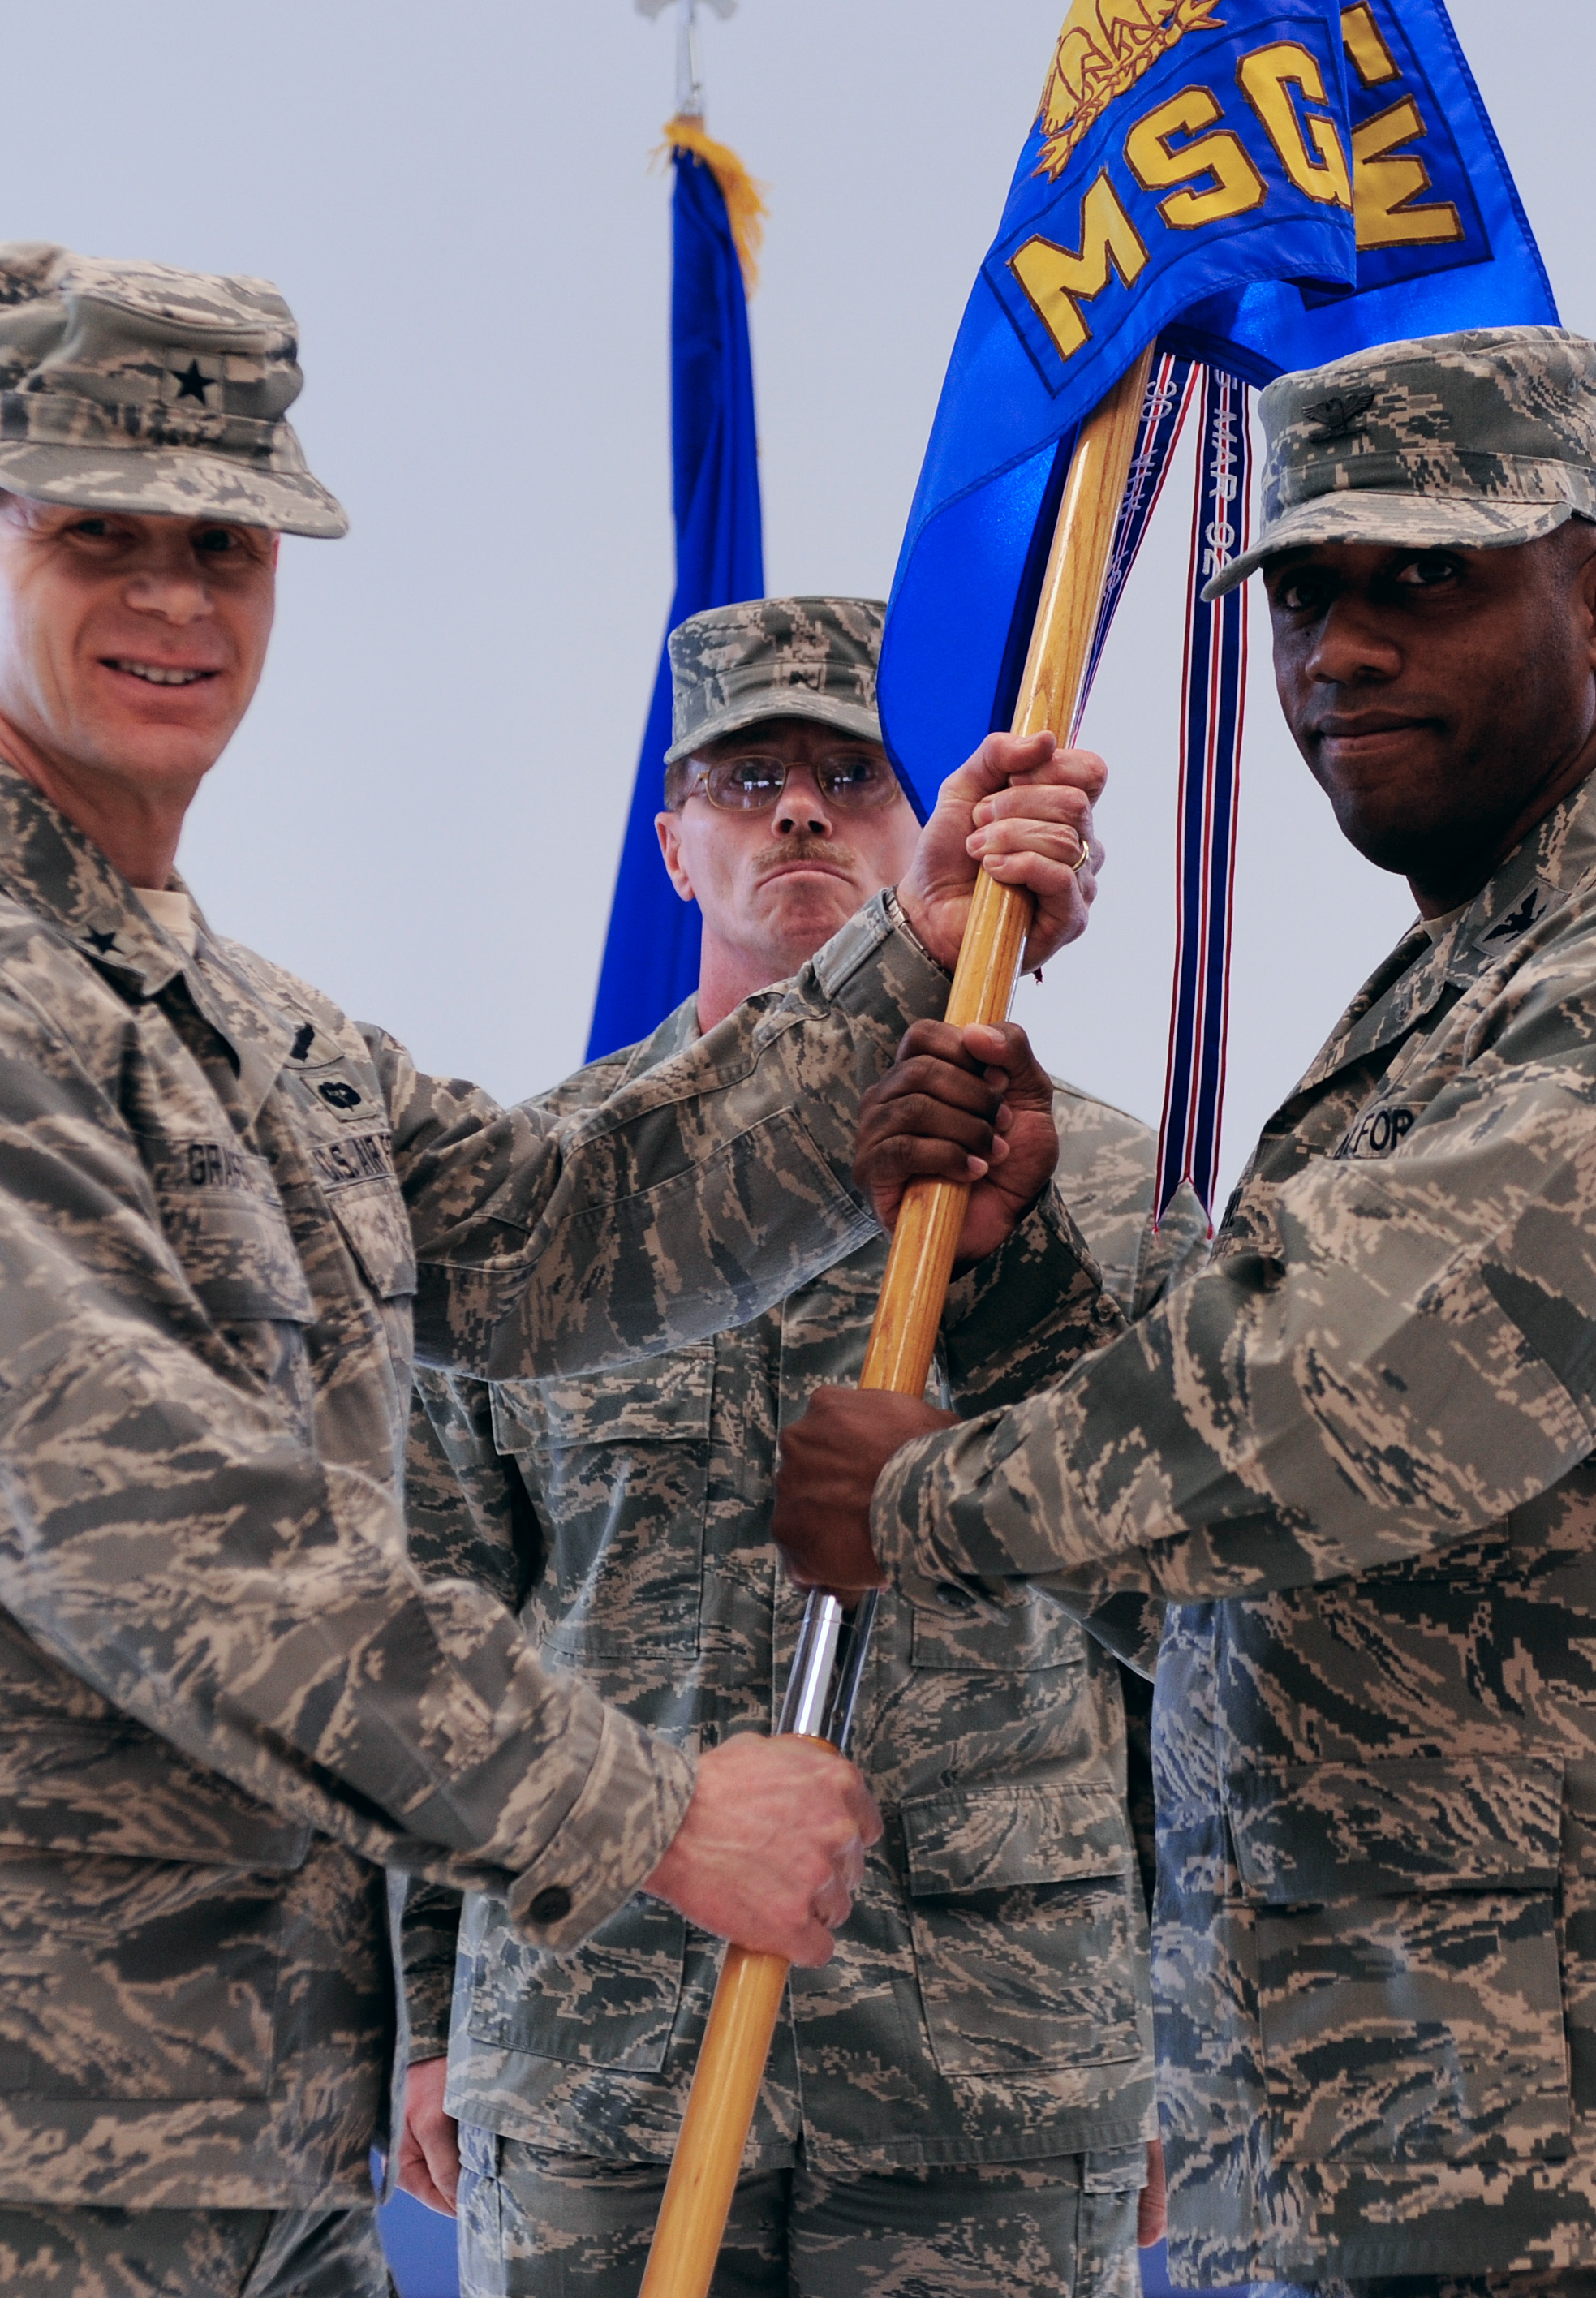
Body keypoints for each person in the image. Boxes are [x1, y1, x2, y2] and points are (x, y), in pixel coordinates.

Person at [0, 243, 1105, 2298]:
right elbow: (169, 1543)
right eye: (97, 535)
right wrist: (652, 1812)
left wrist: (905, 959)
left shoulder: (230, 1019)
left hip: (234, 2156)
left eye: (225, 542)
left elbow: (558, 1227)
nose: (173, 597)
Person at [769, 328, 1596, 2298]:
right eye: (1306, 595)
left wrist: (926, 1498)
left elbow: (1365, 1402)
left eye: (1422, 582)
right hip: (1380, 2146)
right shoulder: (1468, 973)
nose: (1337, 653)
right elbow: (1274, 1526)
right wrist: (1021, 1281)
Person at [393, 597, 1185, 2298]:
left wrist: (1190, 2017)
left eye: (853, 771)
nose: (803, 813)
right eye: (749, 780)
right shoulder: (538, 1216)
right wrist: (414, 2021)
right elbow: (432, 1615)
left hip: (990, 2061)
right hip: (602, 2033)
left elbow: (1188, 1642)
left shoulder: (1098, 1188)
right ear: (670, 843)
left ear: (925, 827)